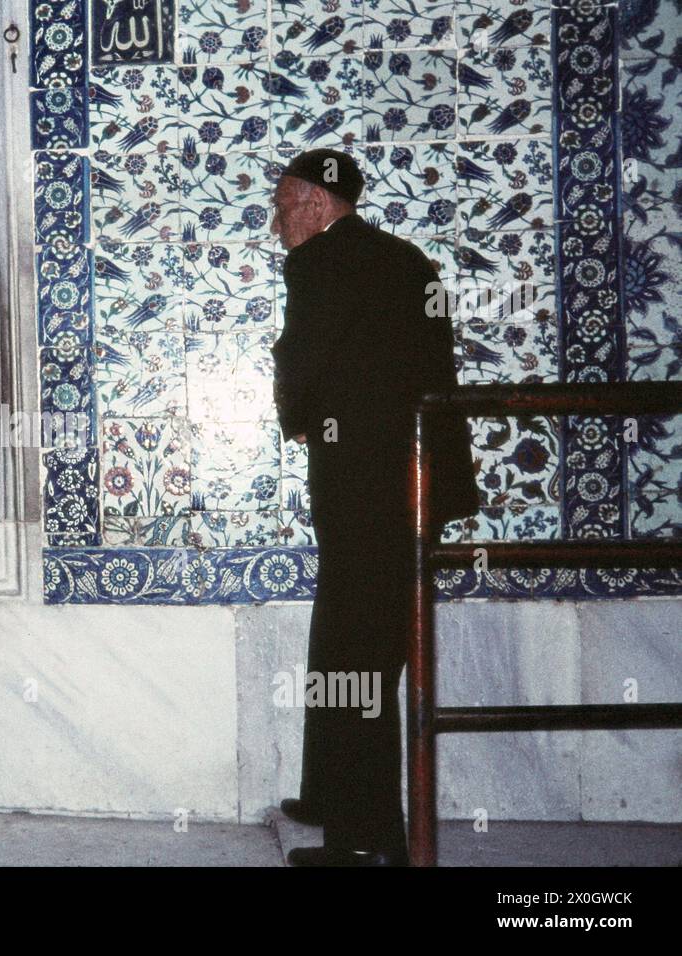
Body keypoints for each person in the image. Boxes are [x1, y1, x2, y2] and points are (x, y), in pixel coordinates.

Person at [269, 148, 476, 866]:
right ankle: (331, 795)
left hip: (366, 487)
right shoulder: (407, 259)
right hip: (411, 484)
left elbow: (301, 356)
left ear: (317, 203)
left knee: (355, 649)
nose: (275, 224)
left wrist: (298, 415)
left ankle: (367, 842)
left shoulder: (322, 261)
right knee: (356, 643)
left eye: (283, 206)